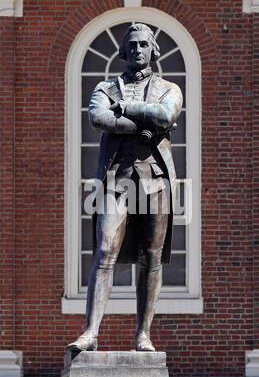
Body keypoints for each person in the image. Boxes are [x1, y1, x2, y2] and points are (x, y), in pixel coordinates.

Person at [68, 22, 182, 354]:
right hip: (115, 179)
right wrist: (146, 124)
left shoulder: (168, 88)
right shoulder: (106, 88)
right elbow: (98, 119)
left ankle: (143, 334)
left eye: (144, 45)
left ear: (153, 50)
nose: (137, 50)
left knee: (152, 257)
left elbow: (167, 114)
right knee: (104, 251)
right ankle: (90, 332)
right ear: (124, 50)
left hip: (155, 180)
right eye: (131, 45)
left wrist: (128, 110)